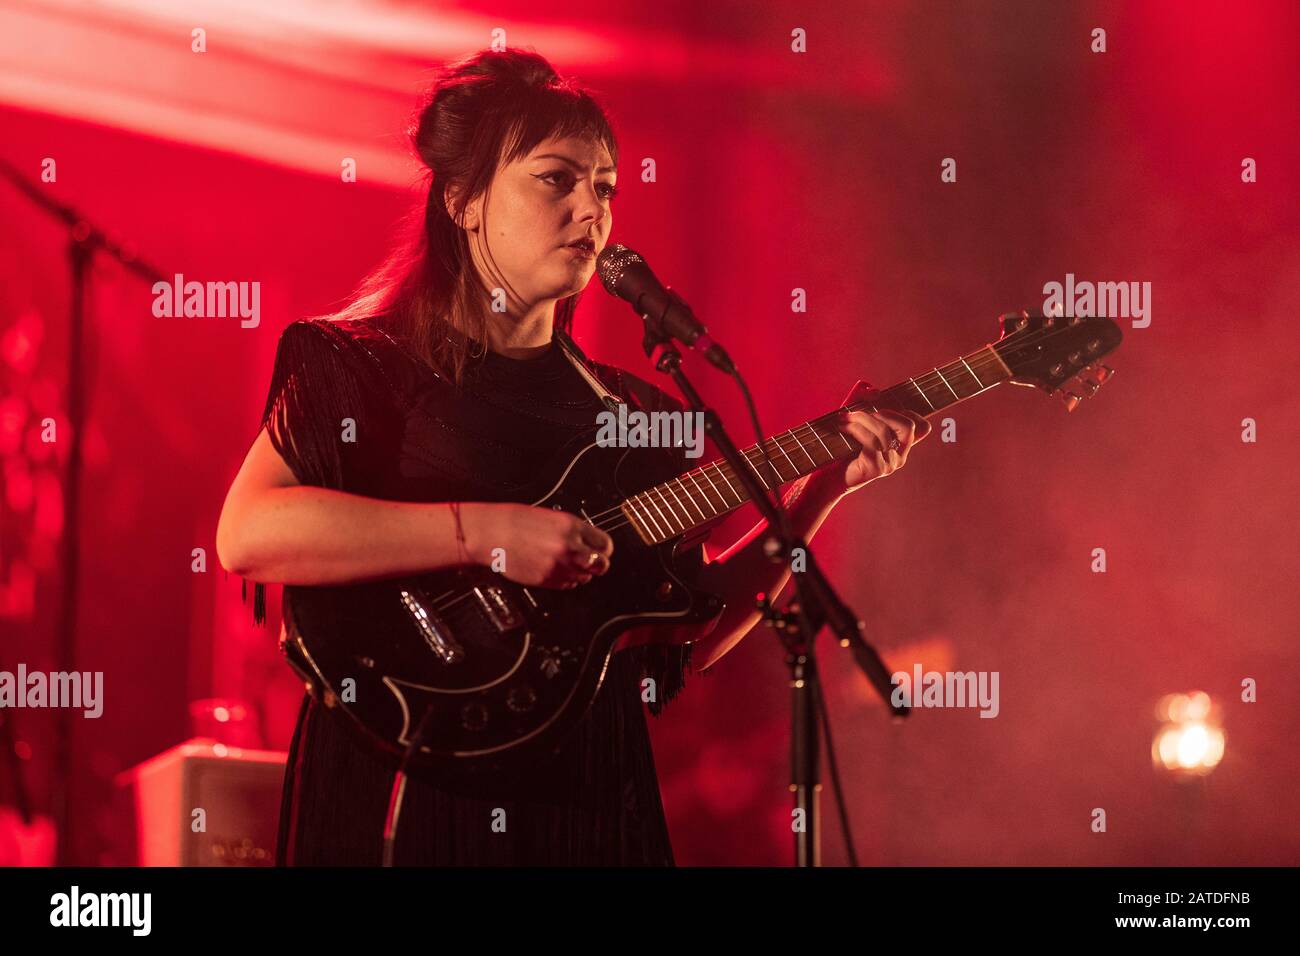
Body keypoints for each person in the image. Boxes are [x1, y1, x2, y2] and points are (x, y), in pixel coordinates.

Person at [215, 47, 930, 866]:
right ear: (464, 200)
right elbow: (250, 531)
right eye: (557, 179)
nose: (592, 210)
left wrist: (820, 490)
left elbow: (685, 637)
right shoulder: (357, 362)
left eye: (606, 188)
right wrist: (486, 534)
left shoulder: (638, 413)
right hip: (408, 781)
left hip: (588, 796)